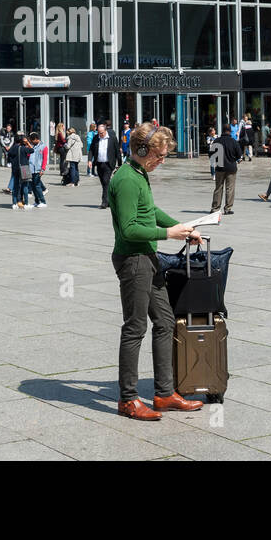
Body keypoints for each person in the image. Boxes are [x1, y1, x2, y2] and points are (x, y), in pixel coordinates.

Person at [108, 121, 204, 420]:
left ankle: (164, 394)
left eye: (163, 156)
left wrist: (183, 227)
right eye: (158, 156)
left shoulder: (139, 174)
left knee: (165, 320)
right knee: (135, 327)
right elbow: (129, 229)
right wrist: (169, 235)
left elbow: (150, 212)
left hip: (147, 257)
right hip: (133, 260)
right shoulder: (126, 179)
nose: (161, 161)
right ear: (140, 150)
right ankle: (128, 399)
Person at [209, 123, 241, 215]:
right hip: (231, 167)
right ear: (230, 131)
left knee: (218, 188)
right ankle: (228, 208)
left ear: (222, 131)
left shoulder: (216, 141)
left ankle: (215, 208)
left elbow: (211, 155)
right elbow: (239, 155)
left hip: (219, 167)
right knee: (230, 188)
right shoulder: (233, 141)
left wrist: (217, 161)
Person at [90, 119, 121, 209]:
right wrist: (89, 160)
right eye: (99, 133)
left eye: (102, 133)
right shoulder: (96, 138)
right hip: (99, 164)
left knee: (106, 181)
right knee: (104, 183)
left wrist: (119, 164)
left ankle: (104, 202)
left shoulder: (112, 138)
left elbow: (117, 152)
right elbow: (91, 149)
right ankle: (110, 201)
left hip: (109, 164)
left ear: (105, 131)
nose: (101, 135)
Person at [12, 133, 32, 209]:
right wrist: (27, 143)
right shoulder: (24, 148)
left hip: (16, 168)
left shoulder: (14, 147)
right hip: (24, 168)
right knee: (25, 186)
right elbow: (32, 150)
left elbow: (10, 154)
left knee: (16, 186)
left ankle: (14, 203)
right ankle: (26, 203)